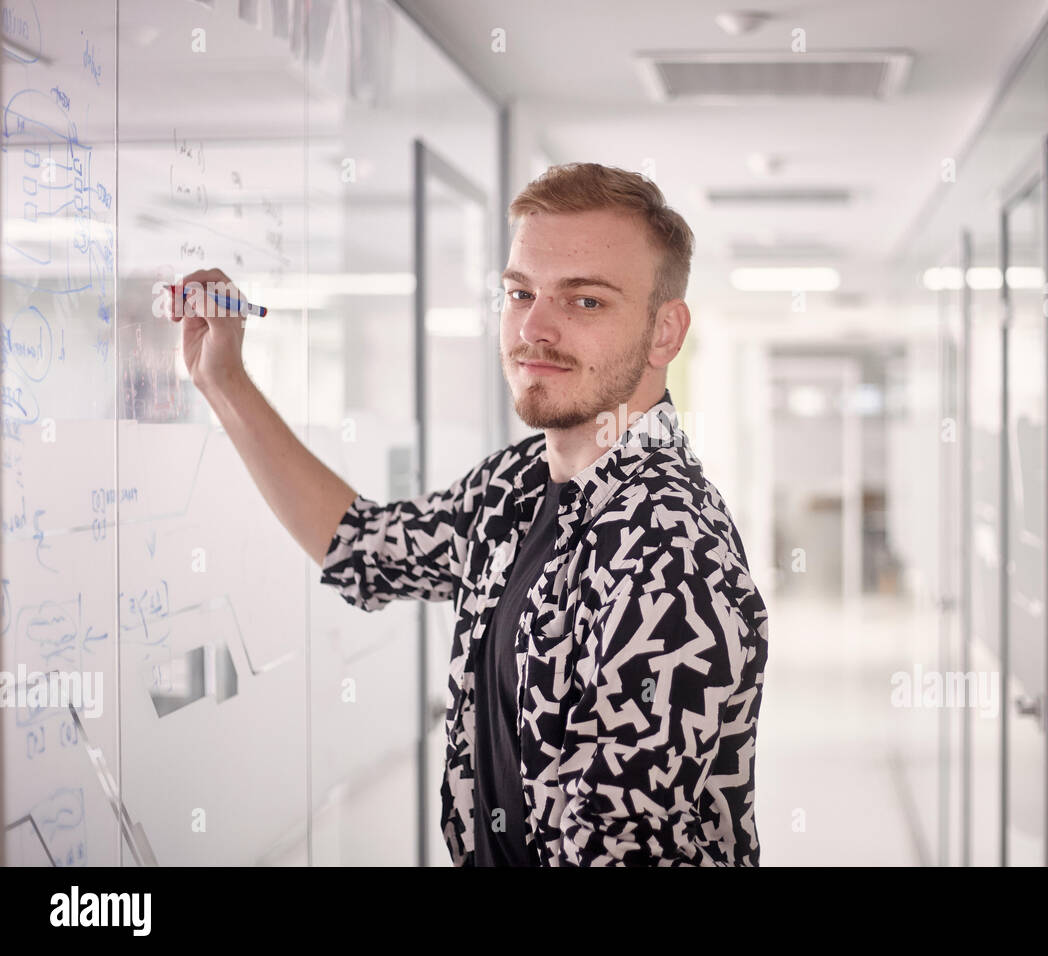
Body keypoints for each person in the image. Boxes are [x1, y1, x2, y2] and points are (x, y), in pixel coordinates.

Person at [173, 162, 768, 866]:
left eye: (585, 303)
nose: (535, 328)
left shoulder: (670, 549)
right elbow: (364, 549)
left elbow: (616, 849)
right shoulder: (518, 485)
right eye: (520, 293)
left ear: (666, 333)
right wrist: (224, 381)